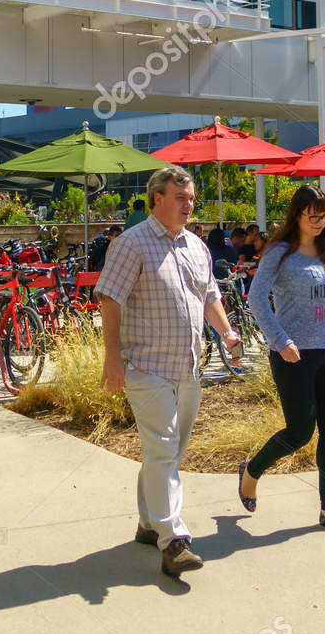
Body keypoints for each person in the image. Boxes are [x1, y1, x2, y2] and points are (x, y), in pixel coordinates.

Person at [97, 166, 241, 578]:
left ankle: (148, 522)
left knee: (169, 452)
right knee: (163, 449)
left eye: (191, 198)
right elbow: (110, 299)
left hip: (188, 367)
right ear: (157, 199)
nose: (189, 205)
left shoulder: (197, 246)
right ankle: (173, 540)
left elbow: (209, 295)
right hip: (147, 367)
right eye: (181, 198)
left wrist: (227, 332)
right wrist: (112, 358)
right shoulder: (131, 243)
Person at [239, 185, 325, 537]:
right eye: (313, 216)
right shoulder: (280, 252)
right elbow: (256, 300)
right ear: (297, 215)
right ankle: (252, 471)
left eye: (324, 215)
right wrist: (281, 341)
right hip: (293, 354)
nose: (320, 222)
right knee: (300, 433)